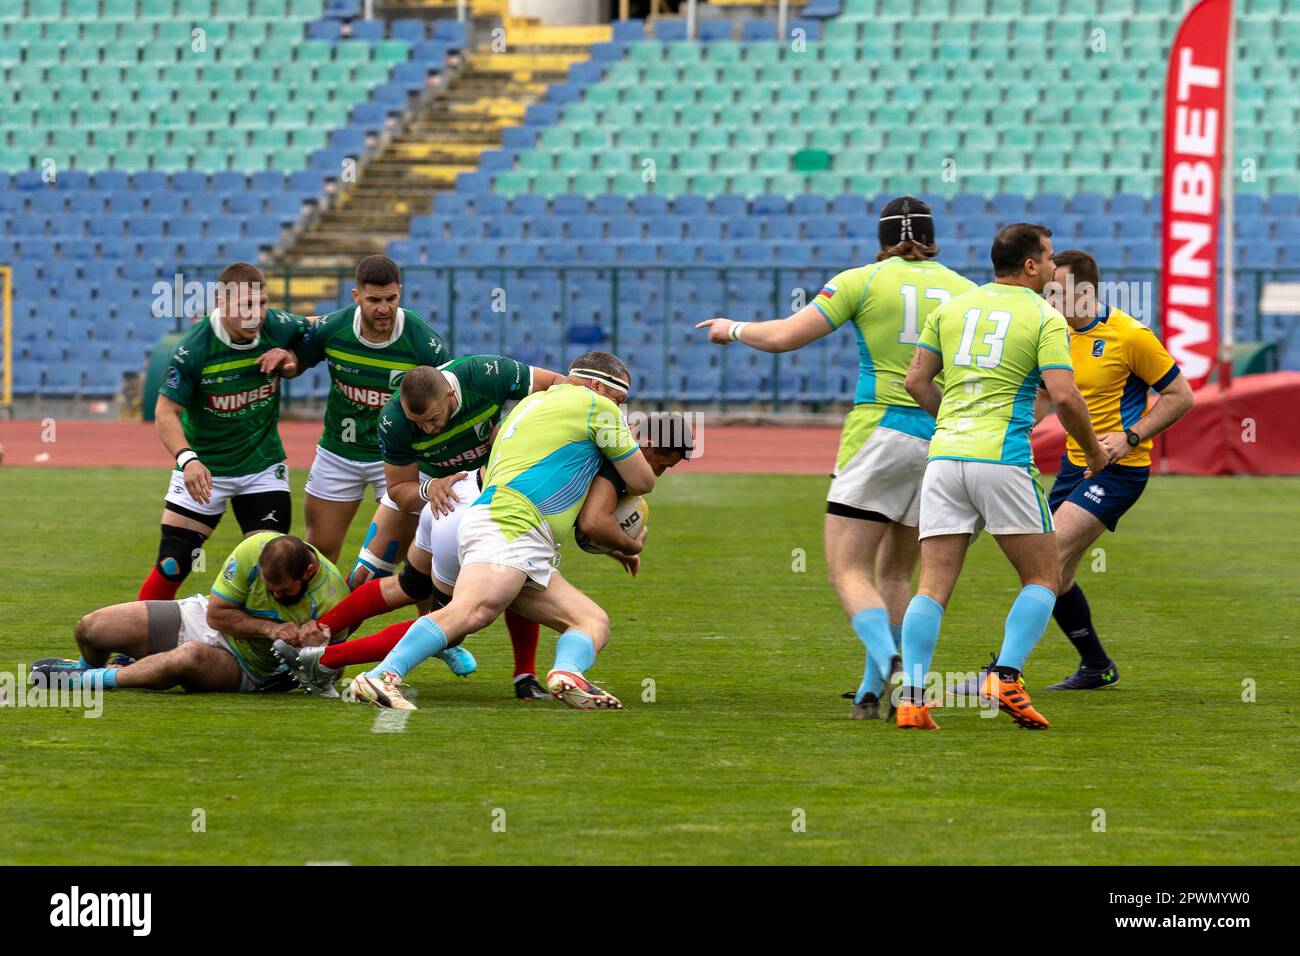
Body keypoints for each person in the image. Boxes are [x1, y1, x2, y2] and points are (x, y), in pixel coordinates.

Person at [697, 197, 976, 719]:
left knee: (846, 569)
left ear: (883, 236)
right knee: (895, 573)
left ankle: (889, 658)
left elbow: (784, 336)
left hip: (879, 431)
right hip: (941, 436)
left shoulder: (862, 280)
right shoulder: (966, 290)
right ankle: (877, 693)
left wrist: (731, 329)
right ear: (934, 237)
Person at [270, 412, 695, 698]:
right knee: (457, 619)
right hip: (491, 520)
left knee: (412, 586)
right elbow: (591, 523)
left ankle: (533, 675)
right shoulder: (608, 450)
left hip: (463, 498)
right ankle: (331, 661)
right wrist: (626, 543)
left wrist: (610, 545)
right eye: (663, 458)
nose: (661, 469)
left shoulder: (573, 424)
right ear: (645, 439)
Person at [344, 351, 655, 711]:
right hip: (511, 525)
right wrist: (625, 529)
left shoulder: (528, 405)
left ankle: (568, 673)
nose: (621, 410)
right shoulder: (596, 405)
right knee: (469, 613)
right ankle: (382, 675)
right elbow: (642, 479)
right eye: (620, 400)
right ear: (600, 386)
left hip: (506, 523)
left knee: (591, 620)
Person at [897, 223, 1111, 731]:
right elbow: (1063, 396)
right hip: (1003, 460)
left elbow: (915, 381)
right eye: (1050, 257)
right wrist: (1093, 451)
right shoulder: (1044, 316)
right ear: (1031, 266)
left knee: (931, 586)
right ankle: (1007, 677)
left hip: (945, 458)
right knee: (1044, 577)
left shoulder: (951, 309)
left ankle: (911, 698)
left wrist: (951, 422)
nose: (1056, 267)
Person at [1038, 249, 1193, 689]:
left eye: (1057, 291)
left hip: (1118, 471)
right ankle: (1097, 666)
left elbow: (1181, 395)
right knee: (1055, 573)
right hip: (1074, 466)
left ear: (1084, 292)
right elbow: (1046, 398)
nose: (1049, 298)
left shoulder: (1131, 335)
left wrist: (1130, 437)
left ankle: (1004, 671)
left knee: (1044, 560)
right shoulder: (1055, 333)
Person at [137, 262, 307, 603]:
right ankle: (131, 647)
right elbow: (165, 412)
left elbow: (320, 330)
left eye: (261, 303)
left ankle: (268, 649)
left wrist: (293, 355)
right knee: (173, 563)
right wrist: (188, 461)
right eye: (246, 305)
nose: (257, 314)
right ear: (221, 302)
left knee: (270, 564)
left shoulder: (278, 326)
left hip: (262, 468)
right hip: (206, 470)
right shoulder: (193, 350)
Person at [33, 535, 347, 693]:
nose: (277, 597)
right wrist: (272, 630)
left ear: (308, 572)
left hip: (249, 667)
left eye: (285, 593)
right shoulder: (253, 549)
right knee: (91, 627)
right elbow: (217, 616)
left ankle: (86, 681)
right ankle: (83, 666)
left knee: (187, 658)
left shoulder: (333, 596)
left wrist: (314, 650)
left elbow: (334, 671)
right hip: (201, 617)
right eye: (269, 588)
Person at [290, 255, 449, 565]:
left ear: (400, 292)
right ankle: (316, 615)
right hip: (338, 454)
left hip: (397, 458)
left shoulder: (422, 340)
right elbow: (294, 362)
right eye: (374, 299)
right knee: (318, 553)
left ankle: (428, 617)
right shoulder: (333, 328)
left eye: (391, 298)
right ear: (356, 296)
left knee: (417, 557)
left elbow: (443, 396)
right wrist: (284, 357)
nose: (384, 308)